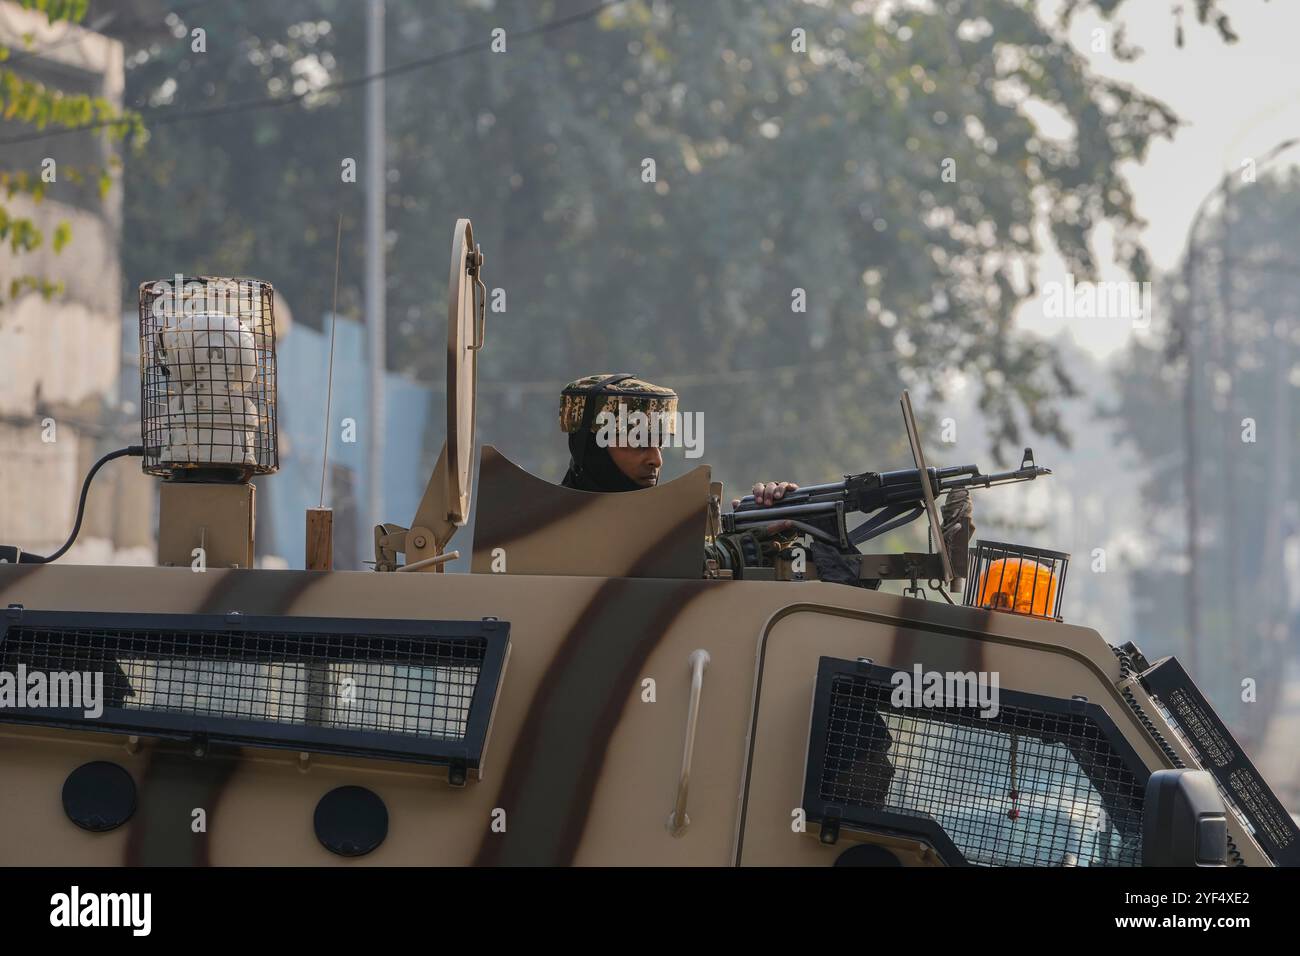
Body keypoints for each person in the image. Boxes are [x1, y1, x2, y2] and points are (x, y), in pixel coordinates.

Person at [558, 373, 797, 502]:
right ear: (591, 448)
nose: (656, 460)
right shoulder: (539, 528)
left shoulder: (673, 524)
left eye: (660, 443)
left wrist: (763, 532)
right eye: (638, 443)